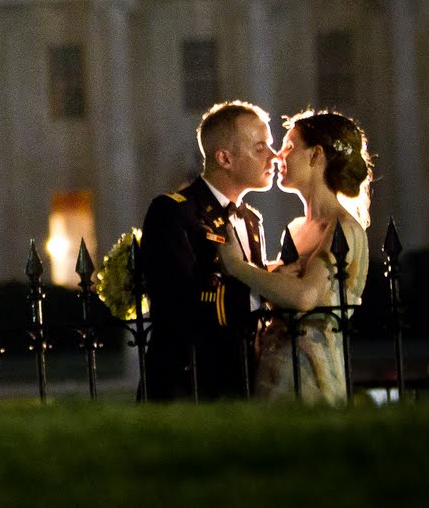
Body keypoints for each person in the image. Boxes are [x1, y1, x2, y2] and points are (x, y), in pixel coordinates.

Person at [216, 108, 372, 405]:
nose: (278, 156)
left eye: (289, 146)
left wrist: (238, 266)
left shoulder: (343, 229)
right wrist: (272, 277)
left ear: (316, 155)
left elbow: (303, 296)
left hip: (313, 373)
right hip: (272, 368)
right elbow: (279, 288)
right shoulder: (296, 228)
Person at [138, 99, 276, 401]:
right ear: (224, 158)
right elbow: (175, 303)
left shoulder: (252, 220)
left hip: (242, 377)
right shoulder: (173, 211)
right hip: (189, 382)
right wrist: (265, 289)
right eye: (260, 148)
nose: (274, 157)